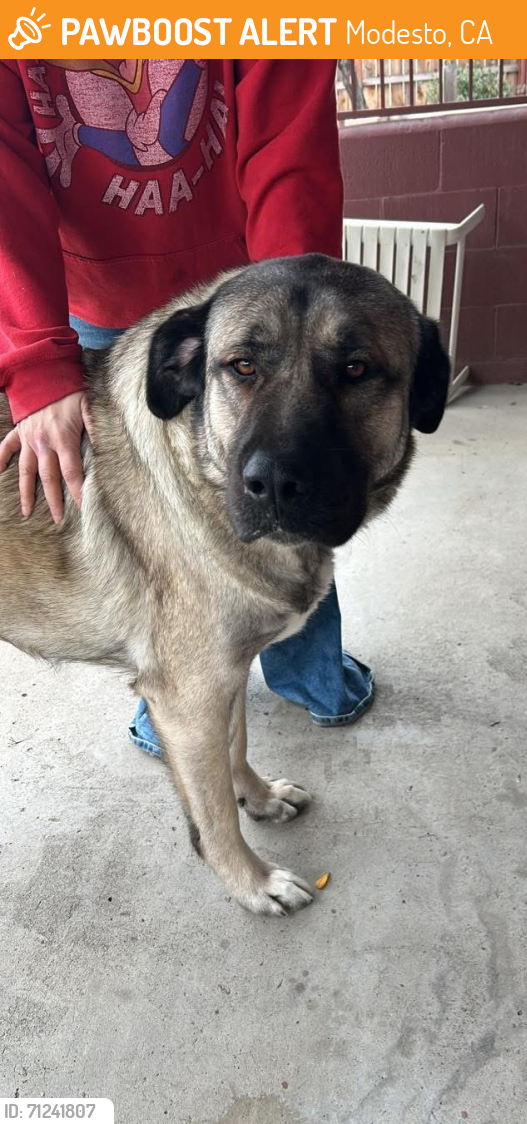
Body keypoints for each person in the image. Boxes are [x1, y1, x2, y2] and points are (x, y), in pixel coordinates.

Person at [0, 59, 374, 753]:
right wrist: (38, 363)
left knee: (291, 470)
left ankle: (310, 672)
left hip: (245, 291)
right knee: (155, 516)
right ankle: (171, 685)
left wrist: (288, 324)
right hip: (96, 302)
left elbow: (289, 147)